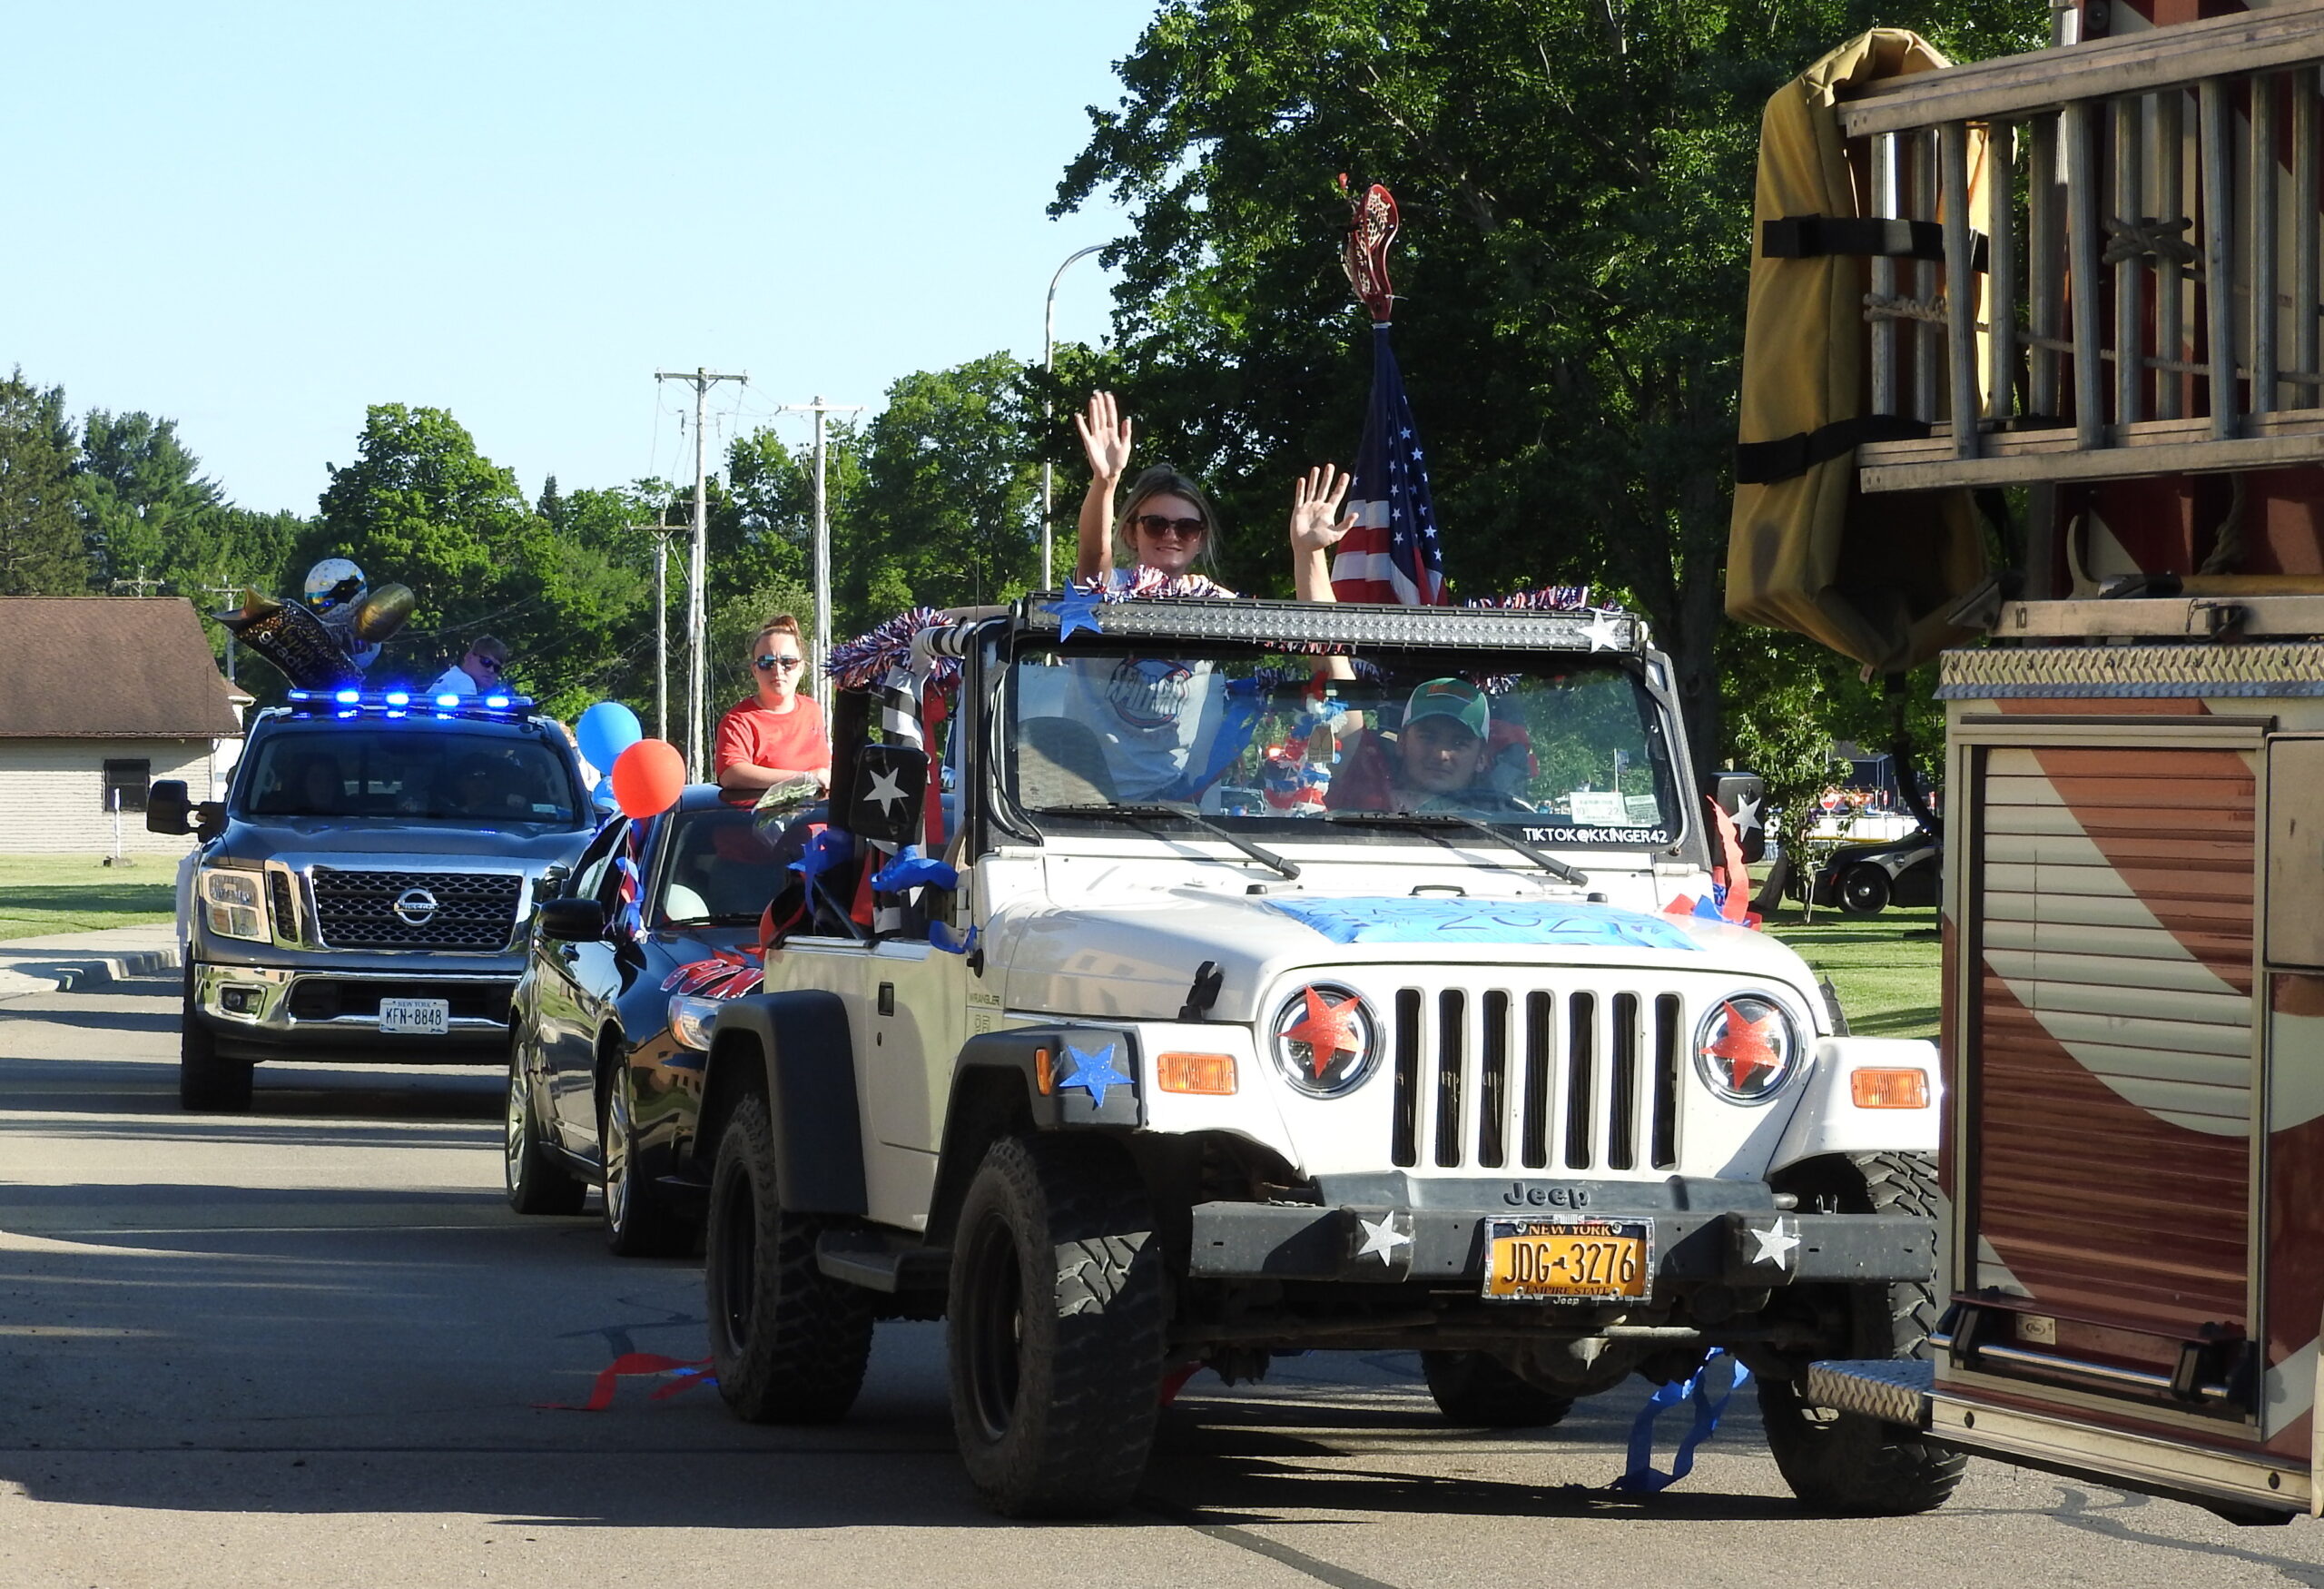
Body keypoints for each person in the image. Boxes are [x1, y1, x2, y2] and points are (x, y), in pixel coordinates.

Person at [1325, 677, 1518, 814]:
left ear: (1482, 757)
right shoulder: (1368, 792)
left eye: (1459, 743)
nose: (1441, 754)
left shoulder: (1506, 823)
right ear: (1402, 742)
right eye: (1428, 737)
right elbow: (1339, 684)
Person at [714, 615, 831, 798]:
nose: (777, 670)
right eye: (766, 662)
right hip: (758, 824)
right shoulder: (738, 721)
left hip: (818, 822)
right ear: (754, 670)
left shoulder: (812, 710)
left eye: (788, 662)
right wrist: (804, 779)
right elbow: (731, 774)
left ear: (801, 668)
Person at [427, 637, 510, 699]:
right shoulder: (464, 681)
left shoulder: (451, 677)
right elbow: (468, 720)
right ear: (469, 657)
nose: (491, 670)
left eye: (497, 668)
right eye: (486, 662)